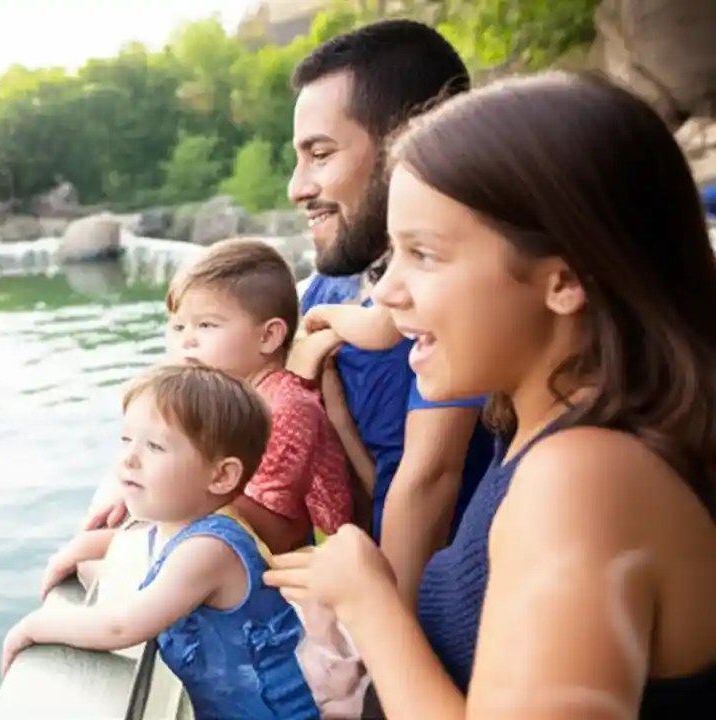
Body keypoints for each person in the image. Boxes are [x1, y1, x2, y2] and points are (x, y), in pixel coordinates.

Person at [266, 71, 716, 717]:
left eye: (424, 254)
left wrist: (372, 606)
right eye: (390, 255)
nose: (387, 293)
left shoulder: (586, 478)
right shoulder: (540, 432)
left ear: (563, 280)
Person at [286, 18, 496, 606]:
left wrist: (383, 652)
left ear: (412, 140)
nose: (297, 187)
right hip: (349, 575)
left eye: (320, 154)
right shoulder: (330, 286)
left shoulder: (465, 296)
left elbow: (426, 484)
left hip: (421, 602)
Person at [2, 364, 321, 720]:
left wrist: (34, 627)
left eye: (154, 446)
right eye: (125, 440)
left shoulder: (209, 549)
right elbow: (138, 550)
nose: (129, 458)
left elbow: (120, 626)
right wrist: (80, 549)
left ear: (221, 475)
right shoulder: (181, 526)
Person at [83, 238, 355, 553]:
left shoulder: (284, 407)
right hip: (233, 539)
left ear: (268, 336)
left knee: (101, 559)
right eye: (178, 327)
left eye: (206, 325)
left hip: (308, 557)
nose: (187, 341)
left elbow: (271, 527)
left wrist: (130, 524)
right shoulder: (211, 400)